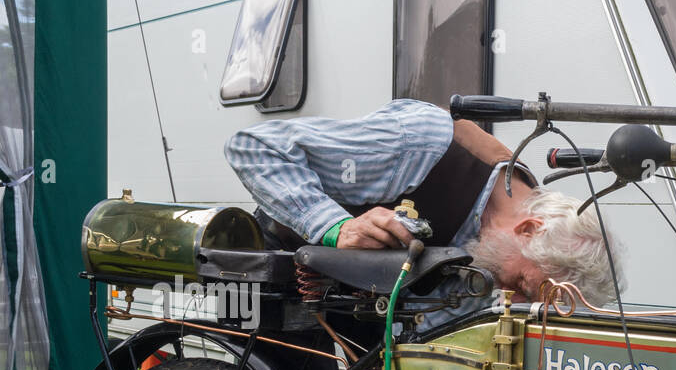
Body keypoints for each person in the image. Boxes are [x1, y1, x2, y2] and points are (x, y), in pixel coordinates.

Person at [225, 99, 621, 303]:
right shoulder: (422, 143)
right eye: (521, 285)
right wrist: (335, 227)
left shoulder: (501, 231)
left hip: (360, 307)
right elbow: (255, 147)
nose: (510, 302)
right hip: (286, 280)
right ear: (529, 228)